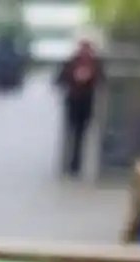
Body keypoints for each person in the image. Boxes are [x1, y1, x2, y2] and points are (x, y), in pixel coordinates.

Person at [56, 39, 104, 177]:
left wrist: (89, 78)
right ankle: (70, 164)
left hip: (85, 102)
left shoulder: (94, 64)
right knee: (73, 133)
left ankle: (74, 164)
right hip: (75, 101)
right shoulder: (72, 62)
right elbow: (60, 79)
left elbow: (101, 81)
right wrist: (74, 78)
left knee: (79, 134)